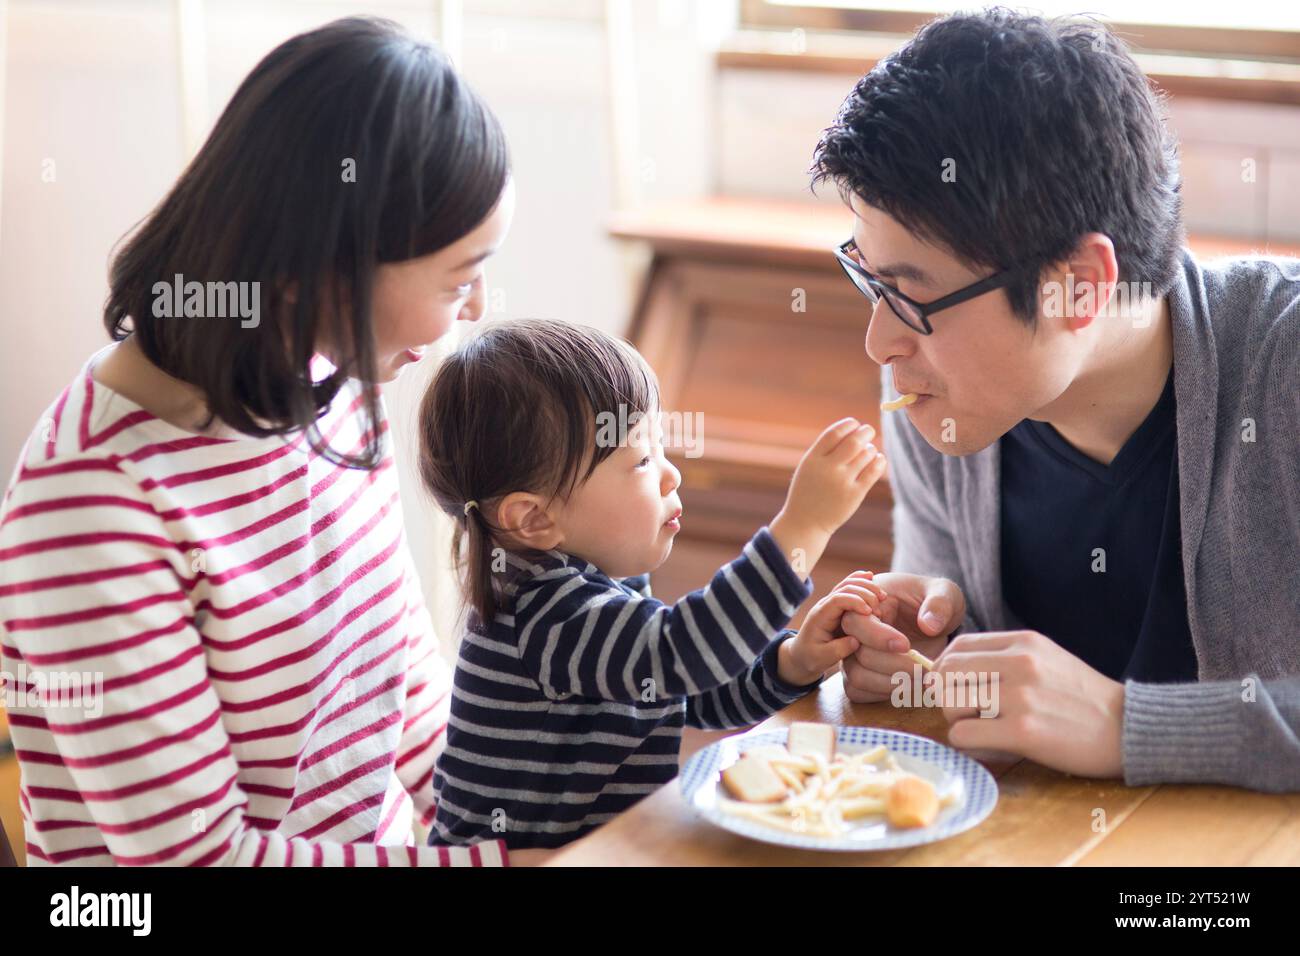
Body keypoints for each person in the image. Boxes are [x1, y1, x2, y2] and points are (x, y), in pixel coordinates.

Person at [0, 17, 525, 865]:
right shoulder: (91, 506)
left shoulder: (329, 381)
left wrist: (517, 821)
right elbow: (196, 860)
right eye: (460, 278)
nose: (473, 310)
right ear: (322, 273)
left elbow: (401, 677)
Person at [811, 8, 1299, 791]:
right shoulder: (933, 390)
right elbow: (956, 667)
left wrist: (1127, 726)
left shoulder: (1284, 366)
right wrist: (925, 648)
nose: (880, 342)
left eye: (908, 295)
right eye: (870, 279)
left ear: (1081, 285)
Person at [417, 318, 888, 848]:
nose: (672, 474)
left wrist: (792, 661)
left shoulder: (592, 589)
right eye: (642, 460)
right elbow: (682, 653)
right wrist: (804, 527)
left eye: (661, 448)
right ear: (534, 519)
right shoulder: (545, 615)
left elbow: (682, 690)